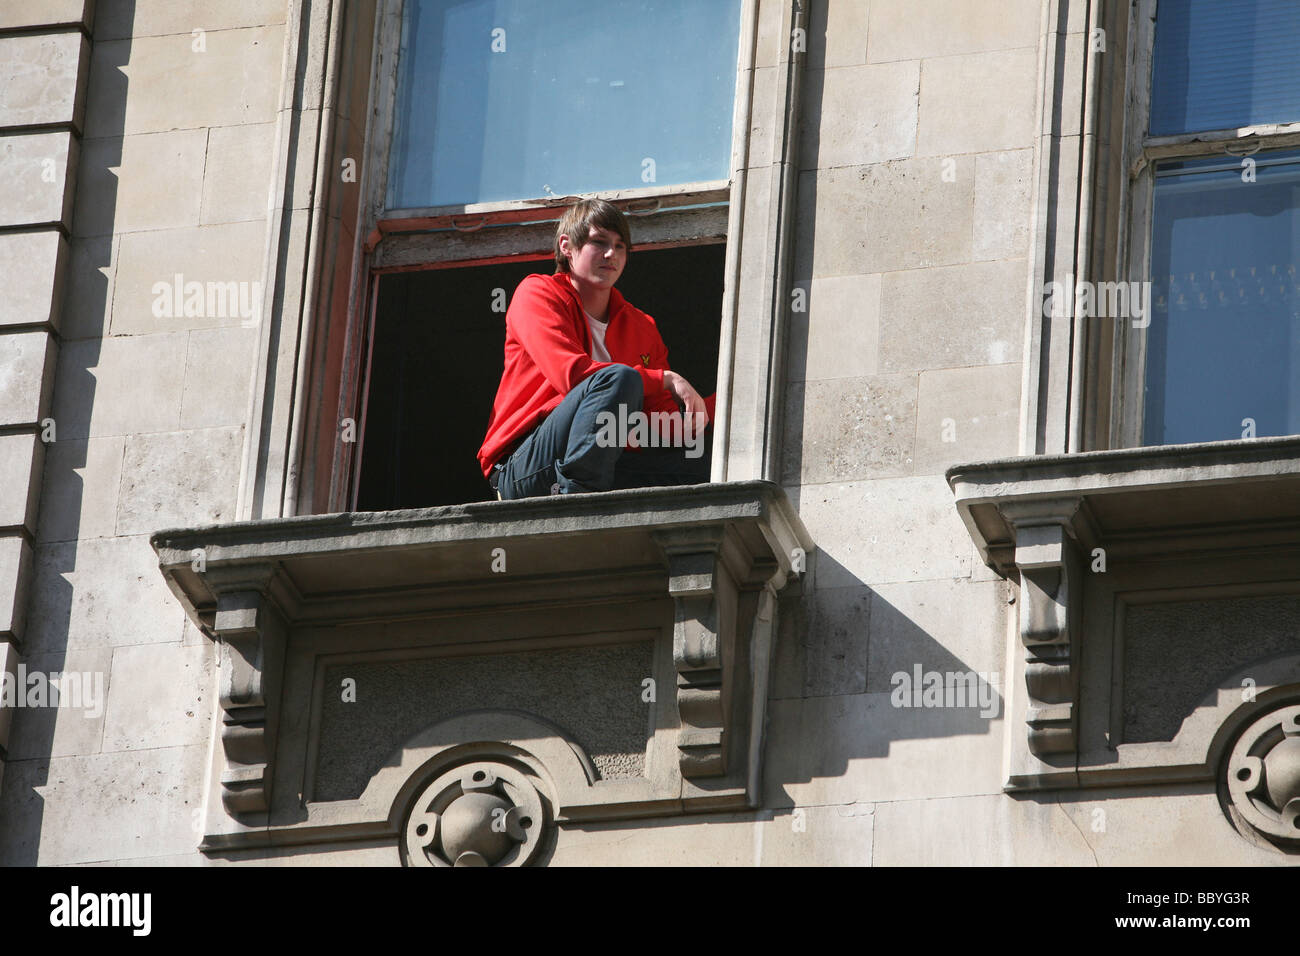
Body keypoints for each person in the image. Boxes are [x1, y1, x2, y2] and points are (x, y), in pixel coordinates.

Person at [478, 199, 714, 500]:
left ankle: (588, 495)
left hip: (609, 462)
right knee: (619, 379)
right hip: (529, 466)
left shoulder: (642, 326)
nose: (610, 254)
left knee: (706, 464)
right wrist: (666, 379)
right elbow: (572, 375)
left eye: (619, 246)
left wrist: (715, 411)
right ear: (567, 246)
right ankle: (576, 505)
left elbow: (657, 422)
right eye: (599, 242)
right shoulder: (537, 293)